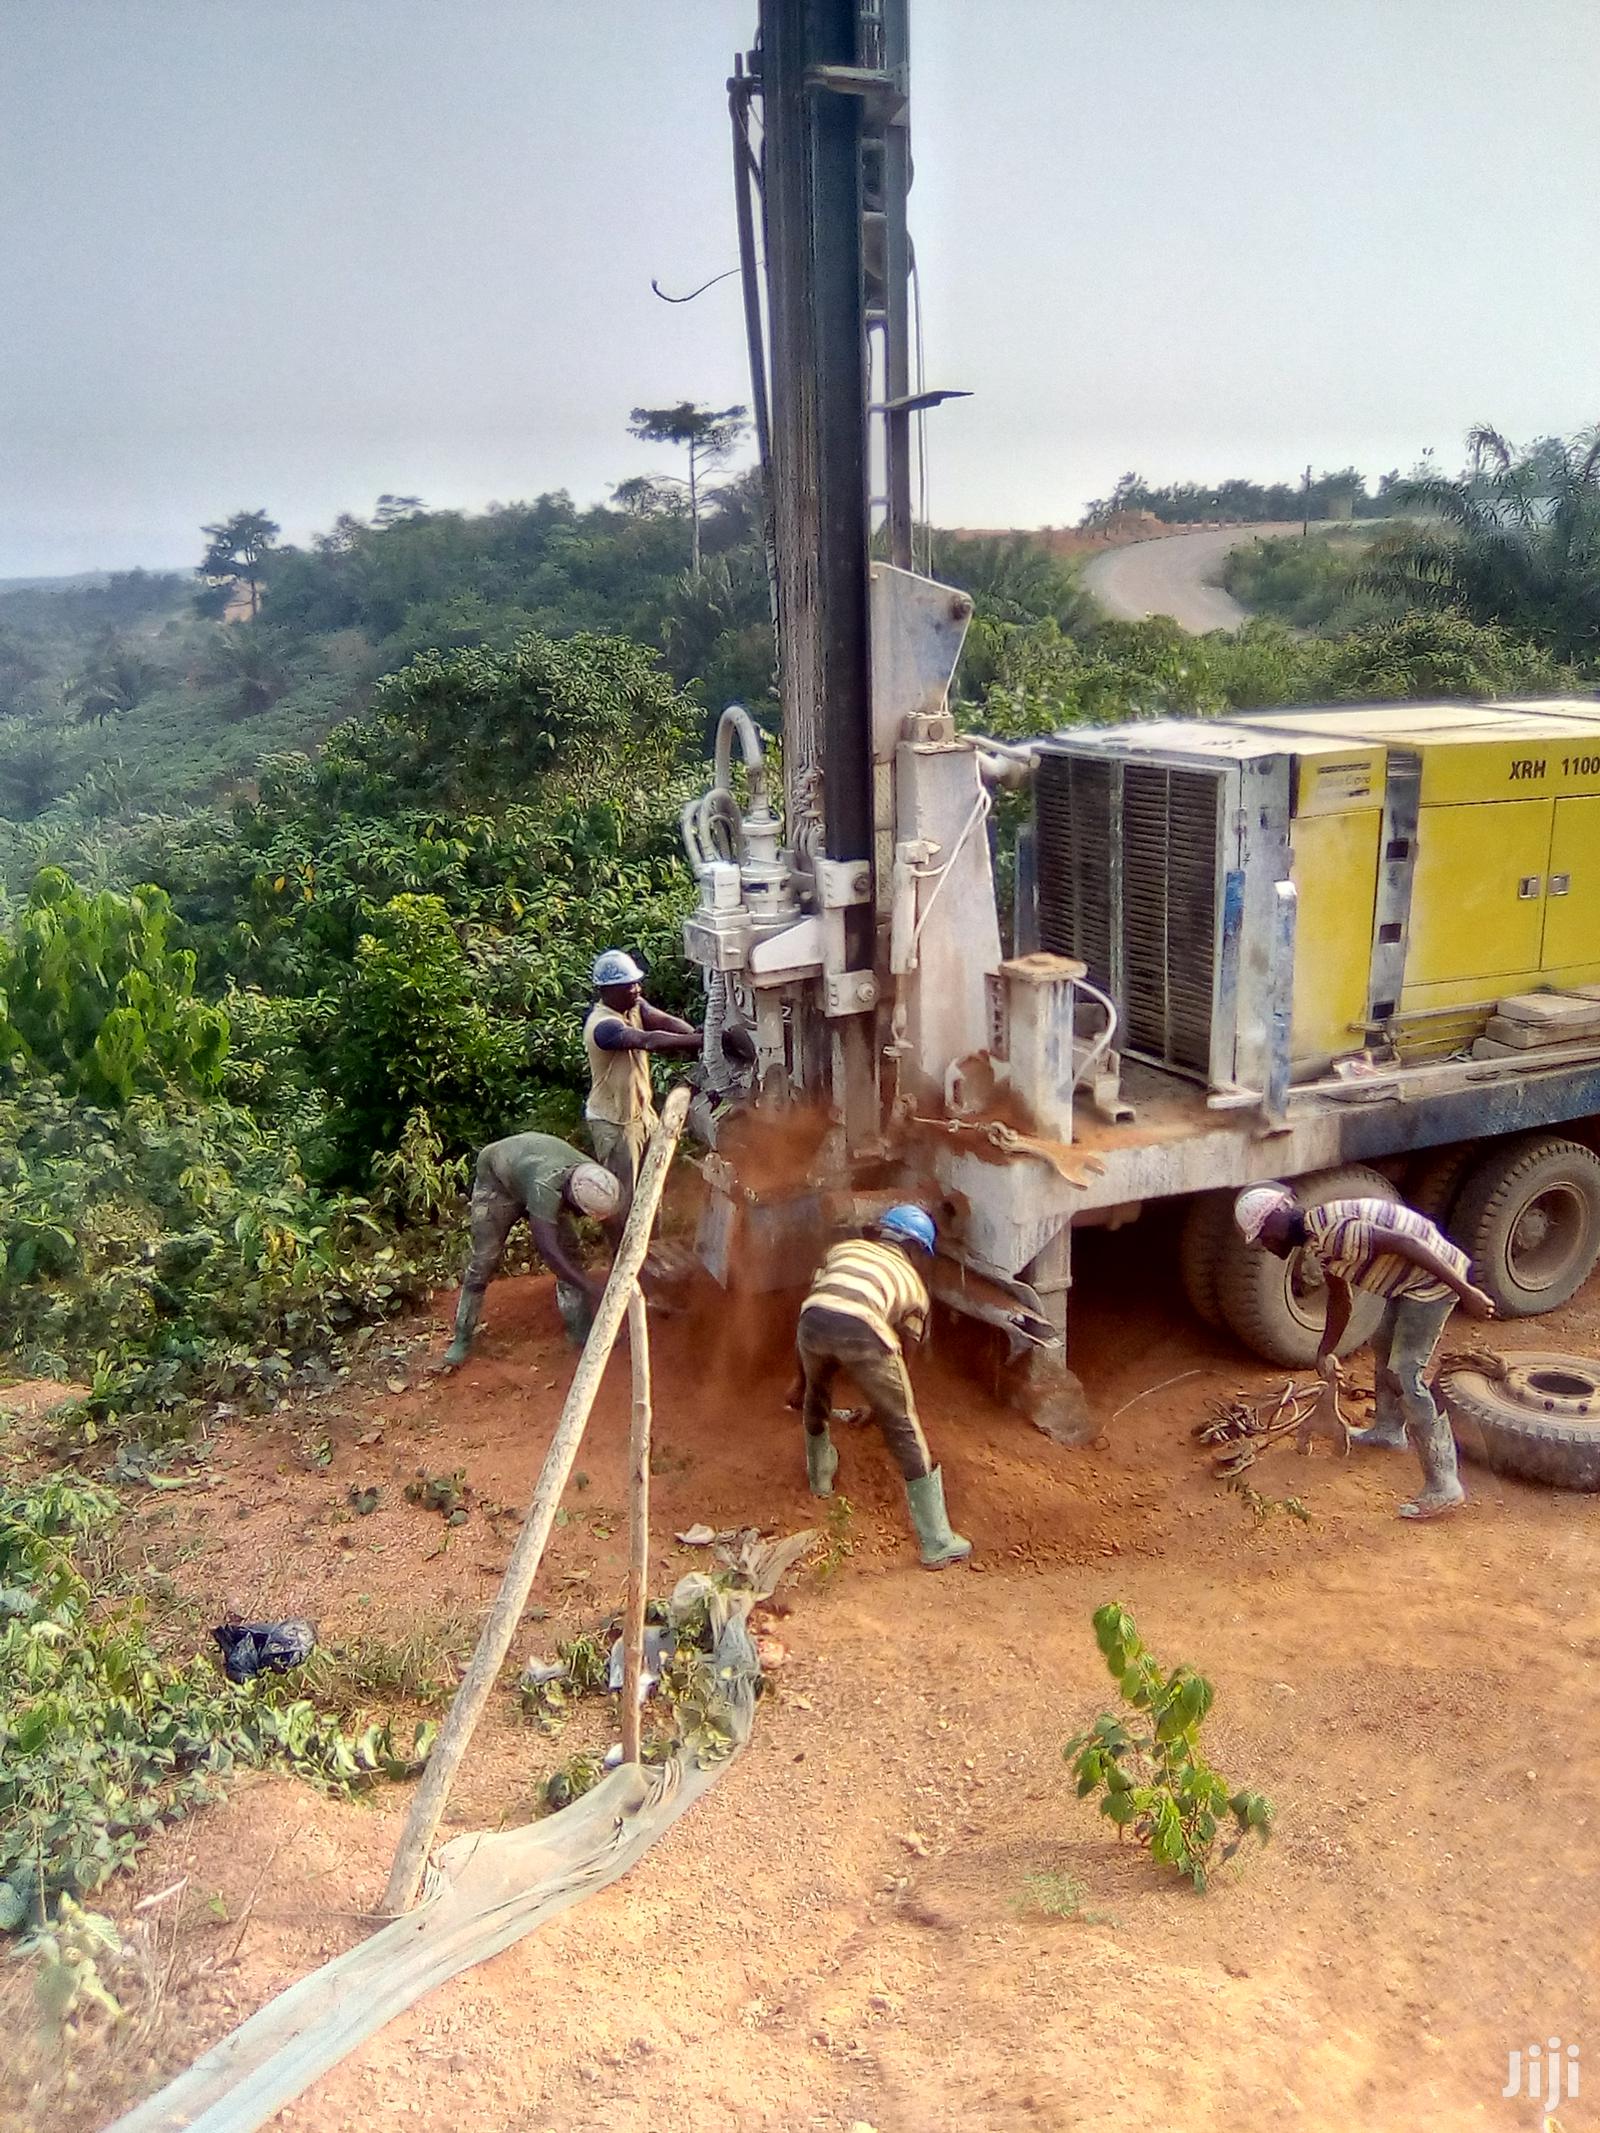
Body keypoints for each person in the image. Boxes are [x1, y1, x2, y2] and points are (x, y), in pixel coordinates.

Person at [1232, 1184, 1496, 1521]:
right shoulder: (1318, 1242)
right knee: (1382, 1344)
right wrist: (1324, 1352)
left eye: (1263, 1236)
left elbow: (1407, 1243)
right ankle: (1388, 1430)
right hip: (1407, 1285)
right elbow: (1341, 1299)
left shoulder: (1331, 1233)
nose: (1265, 1245)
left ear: (1276, 1220)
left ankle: (1444, 1483)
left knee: (1404, 1373)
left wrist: (1466, 1290)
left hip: (1432, 1284)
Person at [793, 1204, 971, 1570]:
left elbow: (822, 1301)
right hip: (865, 1329)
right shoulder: (914, 1286)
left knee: (817, 1393)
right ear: (917, 1251)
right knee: (904, 1427)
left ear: (882, 1232)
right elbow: (905, 1355)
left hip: (811, 1321)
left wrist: (800, 1381)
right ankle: (937, 1541)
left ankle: (820, 1477)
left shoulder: (841, 1250)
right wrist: (881, 1405)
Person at [439, 1133, 622, 1368]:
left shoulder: (598, 1181)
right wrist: (589, 1286)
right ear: (574, 1200)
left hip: (530, 1166)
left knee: (572, 1253)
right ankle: (462, 1337)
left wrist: (625, 1264)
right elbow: (550, 1252)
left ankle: (581, 1332)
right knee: (484, 1261)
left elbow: (612, 1223)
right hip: (497, 1180)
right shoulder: (545, 1186)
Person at [584, 949, 701, 1204]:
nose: (637, 989)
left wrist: (696, 1039)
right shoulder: (603, 1027)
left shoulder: (634, 1007)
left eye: (637, 982)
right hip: (616, 1123)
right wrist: (704, 1040)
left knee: (652, 1188)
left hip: (642, 1115)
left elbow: (664, 1022)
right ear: (609, 990)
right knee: (624, 1197)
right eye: (629, 985)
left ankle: (652, 1243)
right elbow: (649, 1041)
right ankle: (624, 1245)